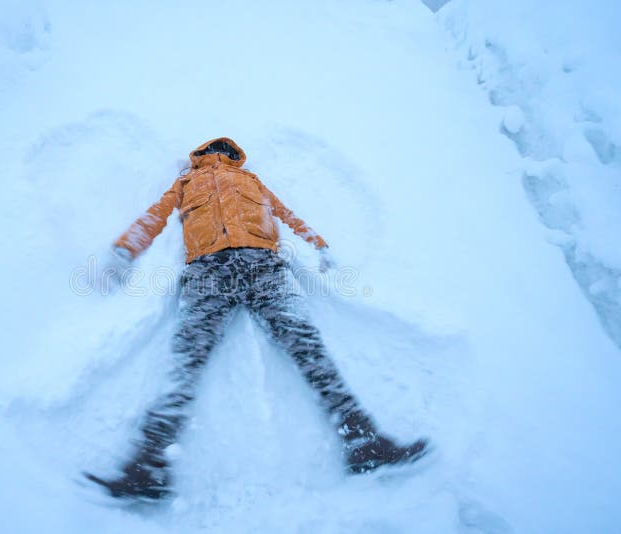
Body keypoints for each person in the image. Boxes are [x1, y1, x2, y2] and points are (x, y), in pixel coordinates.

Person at [84, 137, 428, 500]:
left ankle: (364, 443)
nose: (221, 155)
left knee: (308, 348)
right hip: (208, 271)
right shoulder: (186, 182)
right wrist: (125, 249)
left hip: (263, 266)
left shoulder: (251, 179)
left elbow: (286, 213)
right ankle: (149, 464)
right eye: (214, 150)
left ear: (235, 156)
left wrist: (318, 243)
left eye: (226, 151)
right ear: (200, 156)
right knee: (187, 360)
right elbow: (155, 215)